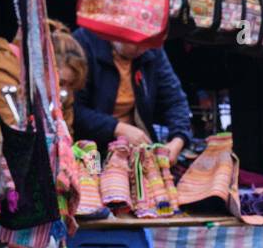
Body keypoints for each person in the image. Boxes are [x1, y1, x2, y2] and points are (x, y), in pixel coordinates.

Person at [71, 27, 193, 163]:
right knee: (94, 180)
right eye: (137, 43)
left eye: (148, 43)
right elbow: (73, 109)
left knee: (151, 180)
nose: (143, 49)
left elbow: (174, 99)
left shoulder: (151, 48)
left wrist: (178, 139)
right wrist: (117, 128)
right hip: (89, 152)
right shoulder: (83, 43)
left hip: (134, 151)